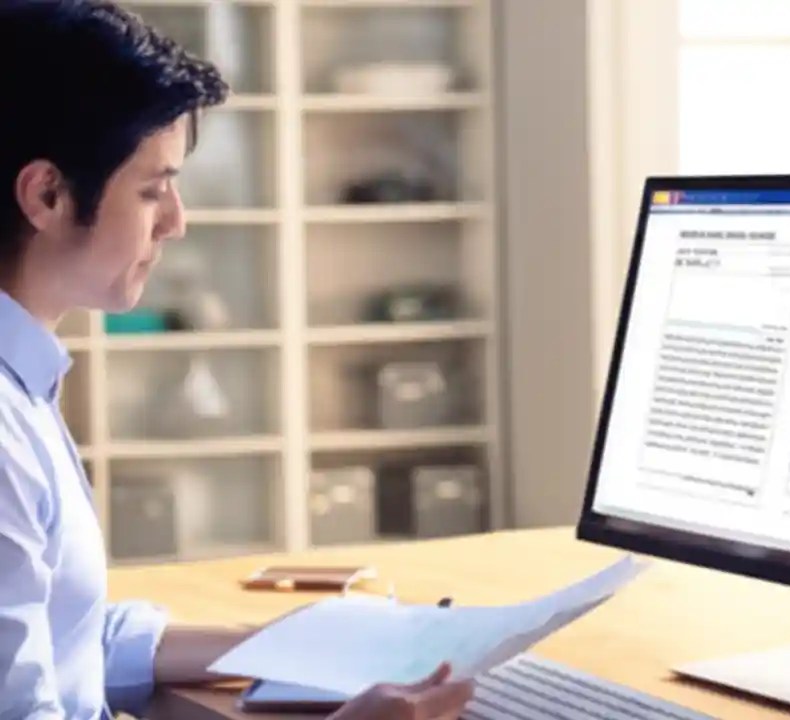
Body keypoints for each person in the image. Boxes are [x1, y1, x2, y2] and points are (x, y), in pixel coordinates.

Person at [0, 2, 474, 718]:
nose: (177, 220)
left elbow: (63, 641)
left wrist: (274, 644)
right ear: (47, 194)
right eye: (154, 188)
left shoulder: (23, 379)